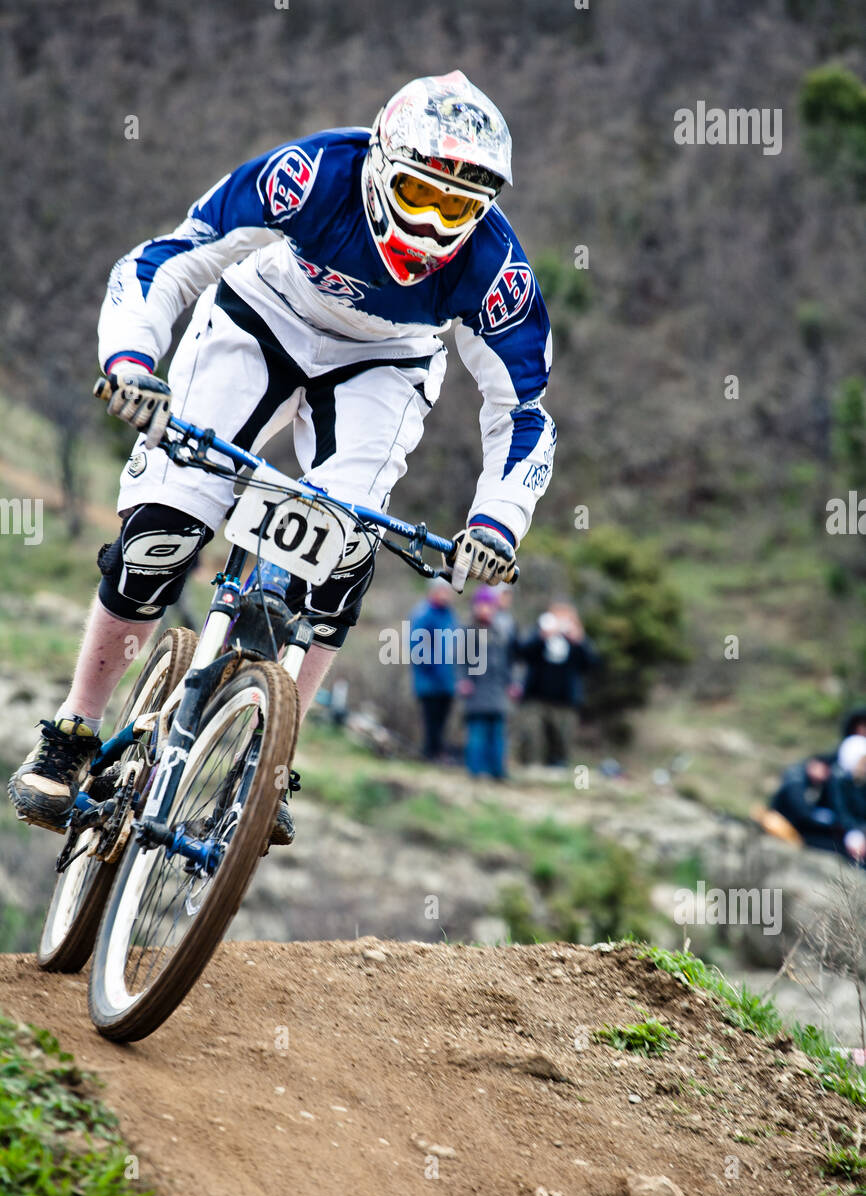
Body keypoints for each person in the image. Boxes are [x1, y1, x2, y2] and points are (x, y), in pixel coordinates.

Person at [9, 72, 556, 844]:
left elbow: (523, 413)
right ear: (379, 164)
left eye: (458, 208)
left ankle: (269, 760)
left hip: (386, 365)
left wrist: (496, 525)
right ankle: (73, 730)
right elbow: (174, 255)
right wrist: (131, 359)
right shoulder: (313, 175)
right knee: (160, 537)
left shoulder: (498, 270)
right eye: (419, 195)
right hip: (263, 317)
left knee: (342, 553)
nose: (434, 226)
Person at [514, 602, 599, 767]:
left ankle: (558, 768)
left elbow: (592, 664)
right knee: (533, 735)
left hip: (565, 700)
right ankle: (531, 767)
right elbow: (522, 652)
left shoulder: (577, 639)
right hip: (536, 697)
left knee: (561, 740)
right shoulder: (540, 633)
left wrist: (580, 642)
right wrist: (541, 637)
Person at [458, 586, 515, 779]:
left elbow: (507, 663)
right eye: (482, 606)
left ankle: (498, 771)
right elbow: (459, 661)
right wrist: (463, 681)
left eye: (489, 606)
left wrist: (512, 683)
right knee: (477, 734)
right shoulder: (467, 632)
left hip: (497, 692)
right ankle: (475, 771)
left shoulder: (500, 632)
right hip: (476, 692)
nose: (485, 610)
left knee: (497, 735)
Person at [409, 578, 460, 761]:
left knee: (442, 720)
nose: (446, 595)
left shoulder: (449, 614)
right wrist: (435, 669)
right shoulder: (423, 614)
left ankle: (437, 752)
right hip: (429, 681)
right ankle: (430, 754)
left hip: (447, 681)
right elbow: (418, 648)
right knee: (431, 720)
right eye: (442, 591)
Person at [769, 755, 846, 854]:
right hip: (787, 826)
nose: (825, 775)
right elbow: (802, 814)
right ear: (813, 765)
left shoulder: (816, 785)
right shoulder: (796, 781)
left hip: (799, 826)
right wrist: (830, 825)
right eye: (823, 770)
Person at [825, 734, 866, 865]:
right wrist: (855, 833)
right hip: (843, 832)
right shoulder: (838, 780)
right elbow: (841, 812)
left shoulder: (860, 782)